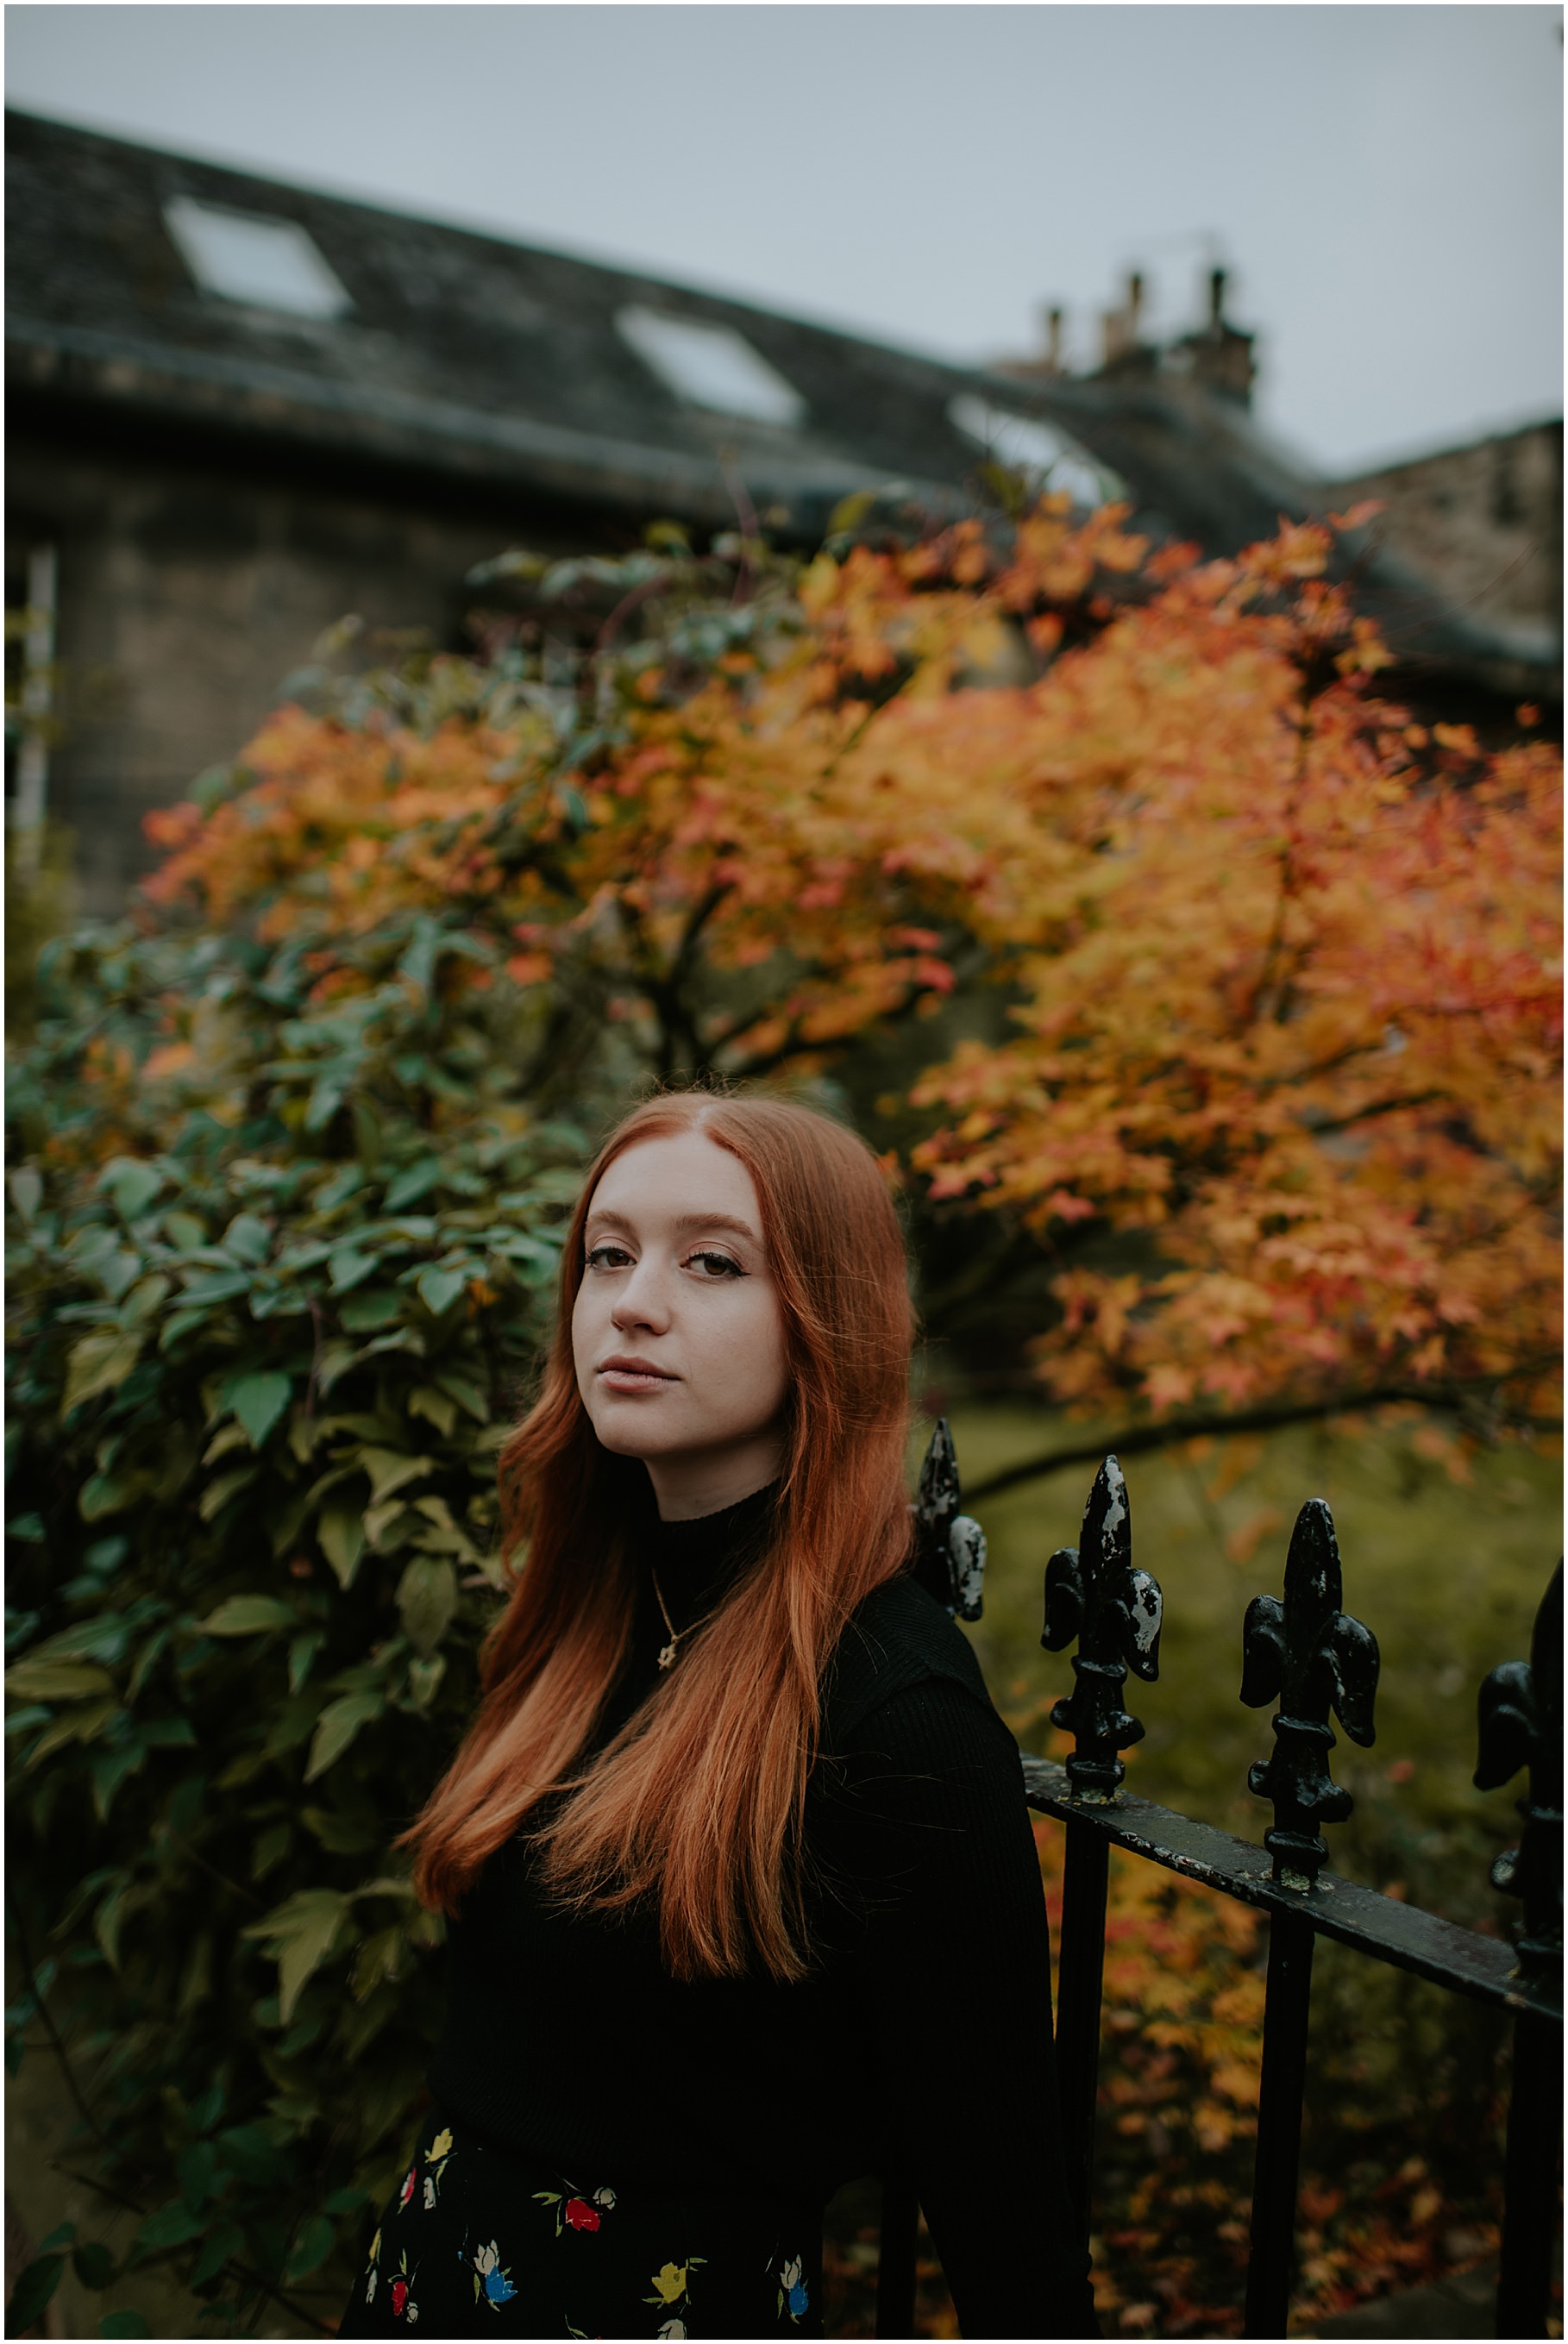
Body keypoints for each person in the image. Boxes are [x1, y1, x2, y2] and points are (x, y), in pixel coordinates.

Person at [339, 1092, 1097, 2340]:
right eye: (608, 1255)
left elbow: (1005, 2213)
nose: (633, 1303)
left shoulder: (893, 1712)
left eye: (711, 1262)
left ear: (828, 1320)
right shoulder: (584, 1611)